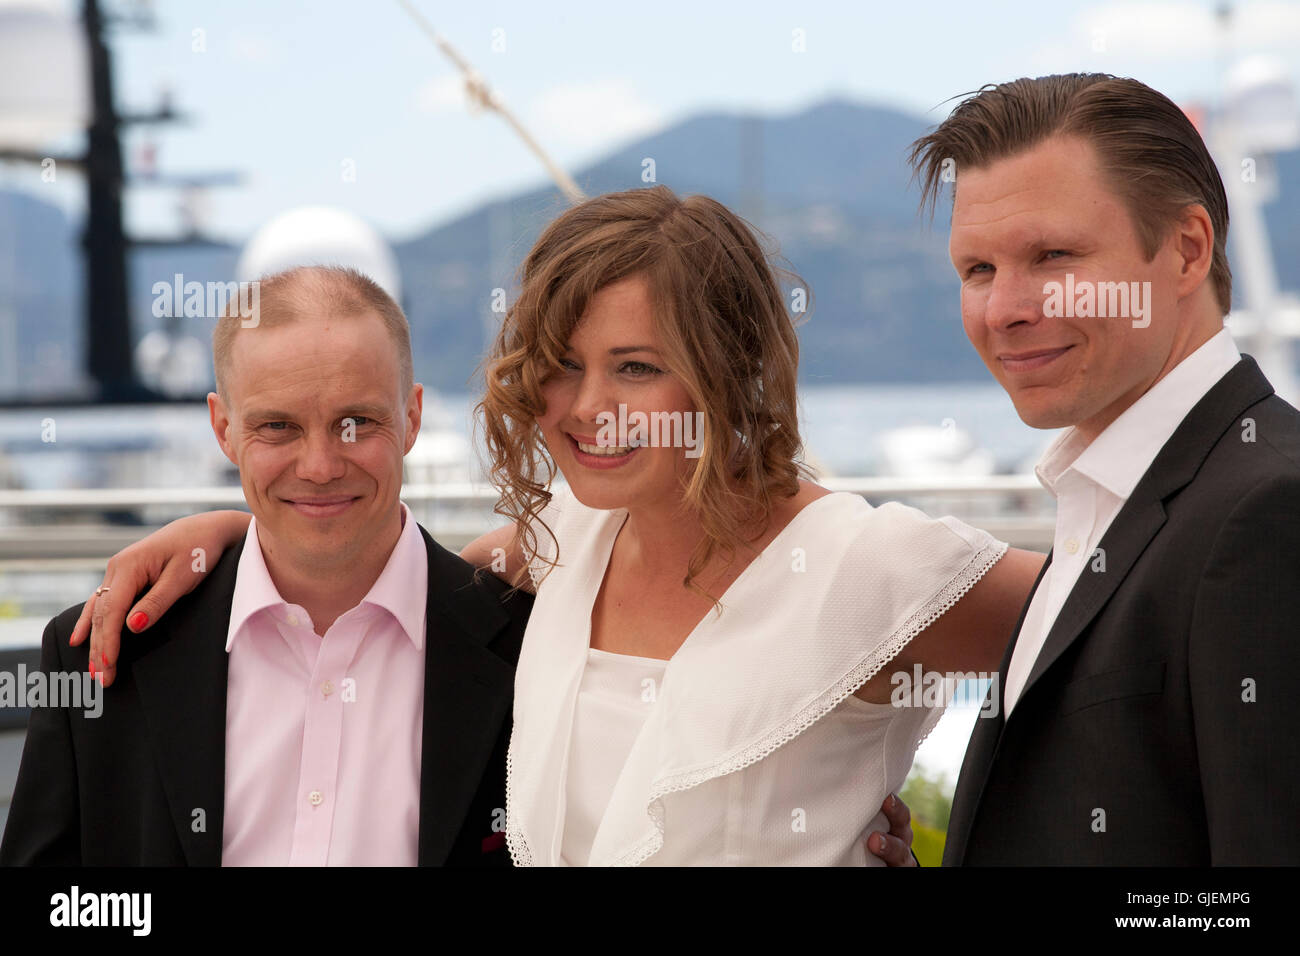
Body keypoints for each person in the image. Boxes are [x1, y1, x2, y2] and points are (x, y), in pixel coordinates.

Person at [60, 189, 1044, 865]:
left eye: (634, 364)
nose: (587, 406)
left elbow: (1120, 616)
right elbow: (372, 563)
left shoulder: (871, 566)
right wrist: (232, 532)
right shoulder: (562, 548)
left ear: (728, 366)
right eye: (561, 364)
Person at [0, 266, 534, 865]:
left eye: (354, 424)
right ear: (223, 429)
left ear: (411, 417)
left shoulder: (534, 648)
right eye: (278, 426)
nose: (320, 465)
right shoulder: (100, 656)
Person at [906, 73, 1300, 865]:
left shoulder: (1270, 510)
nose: (1003, 308)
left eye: (1052, 256)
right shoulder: (1113, 499)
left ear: (1188, 250)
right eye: (977, 269)